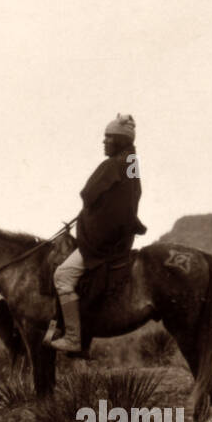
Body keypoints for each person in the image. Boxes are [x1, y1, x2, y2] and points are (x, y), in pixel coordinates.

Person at [44, 114, 146, 353]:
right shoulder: (131, 162)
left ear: (120, 140)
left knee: (62, 275)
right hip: (121, 239)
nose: (104, 142)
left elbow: (88, 194)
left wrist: (90, 223)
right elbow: (128, 198)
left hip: (102, 244)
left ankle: (73, 338)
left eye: (108, 137)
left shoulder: (113, 164)